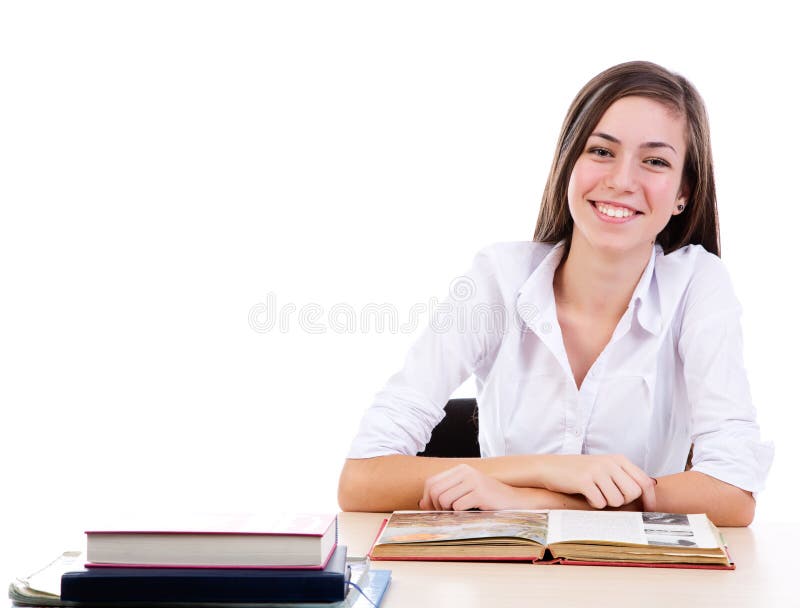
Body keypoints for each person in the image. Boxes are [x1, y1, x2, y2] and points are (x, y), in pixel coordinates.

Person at [337, 61, 773, 526]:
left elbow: (733, 493)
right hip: (506, 582)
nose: (622, 180)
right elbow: (360, 480)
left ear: (683, 192)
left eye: (655, 161)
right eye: (601, 151)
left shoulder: (697, 285)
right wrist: (551, 469)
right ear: (569, 162)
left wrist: (532, 500)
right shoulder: (498, 278)